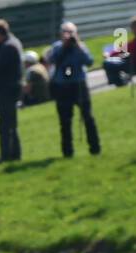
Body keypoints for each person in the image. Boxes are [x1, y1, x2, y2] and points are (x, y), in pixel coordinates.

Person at [45, 22, 101, 157]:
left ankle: (95, 148)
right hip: (62, 87)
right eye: (65, 32)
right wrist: (64, 46)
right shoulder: (57, 46)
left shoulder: (80, 46)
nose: (68, 35)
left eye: (71, 32)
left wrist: (77, 46)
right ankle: (67, 152)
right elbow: (51, 60)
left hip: (79, 85)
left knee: (88, 117)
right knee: (65, 121)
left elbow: (89, 62)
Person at [0, 19, 24, 161]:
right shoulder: (12, 43)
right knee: (11, 124)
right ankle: (14, 155)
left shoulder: (8, 47)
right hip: (12, 87)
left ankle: (8, 155)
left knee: (6, 126)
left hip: (7, 89)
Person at [104, 16, 136, 85]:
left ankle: (119, 83)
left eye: (132, 27)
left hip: (135, 66)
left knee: (108, 63)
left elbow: (125, 50)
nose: (132, 30)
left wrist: (109, 55)